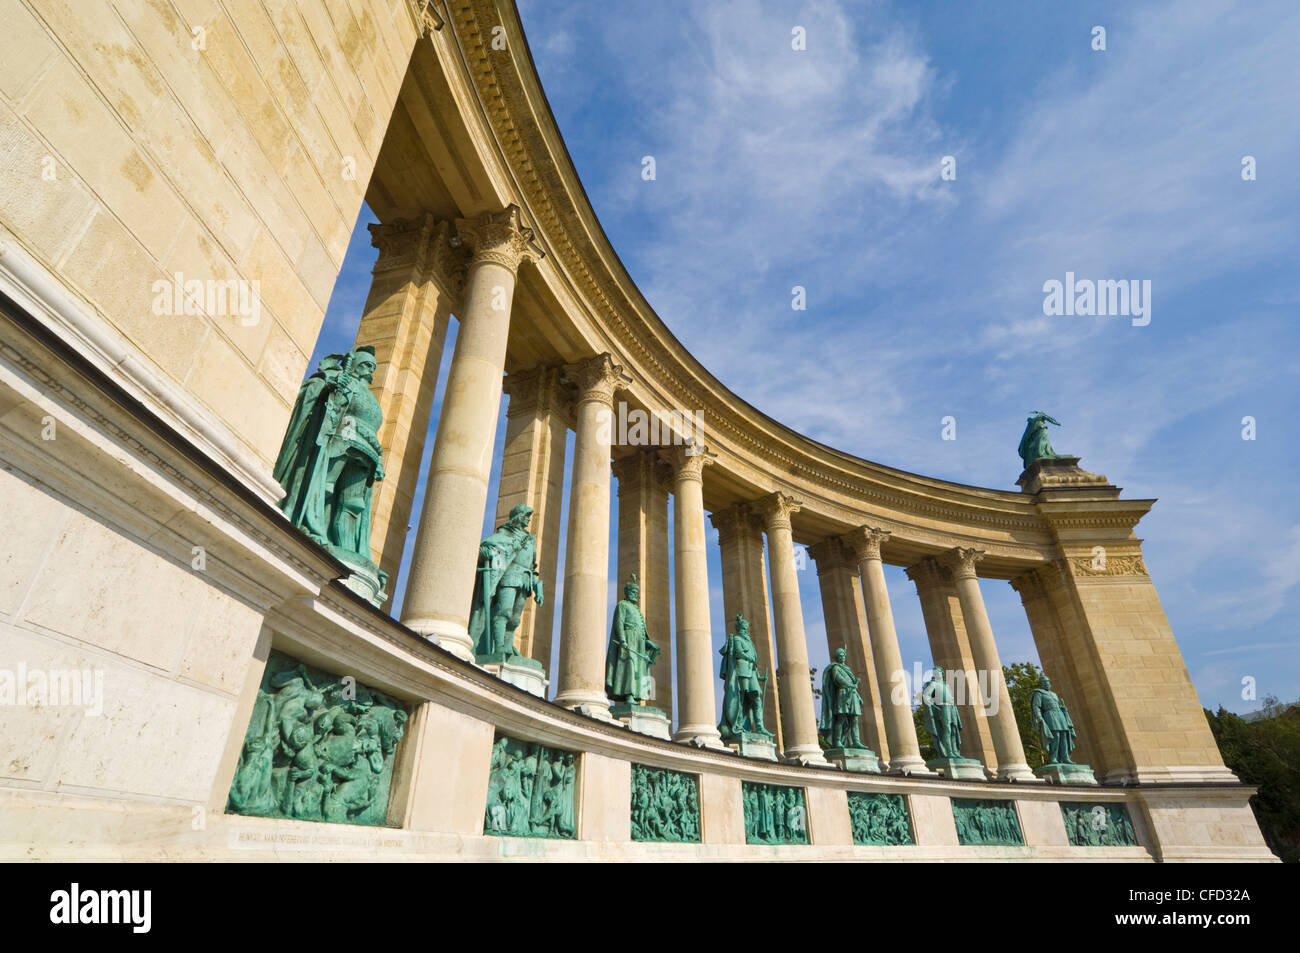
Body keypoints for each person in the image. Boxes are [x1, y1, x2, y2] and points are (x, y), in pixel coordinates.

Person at [469, 504, 543, 658]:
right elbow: (482, 548)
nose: (528, 520)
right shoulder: (505, 535)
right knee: (504, 612)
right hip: (508, 578)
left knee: (515, 619)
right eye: (526, 516)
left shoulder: (530, 543)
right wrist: (491, 553)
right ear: (518, 517)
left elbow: (533, 569)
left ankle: (508, 648)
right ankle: (499, 647)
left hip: (525, 581)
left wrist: (539, 589)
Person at [605, 575, 659, 704]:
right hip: (628, 639)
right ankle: (628, 694)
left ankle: (636, 694)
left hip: (639, 643)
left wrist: (648, 643)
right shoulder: (622, 605)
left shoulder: (637, 610)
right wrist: (623, 640)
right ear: (627, 592)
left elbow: (641, 630)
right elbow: (619, 623)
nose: (636, 595)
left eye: (637, 593)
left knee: (639, 669)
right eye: (634, 592)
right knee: (629, 665)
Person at [718, 615, 772, 740]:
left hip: (751, 672)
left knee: (756, 698)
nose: (745, 630)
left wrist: (759, 677)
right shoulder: (737, 639)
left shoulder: (750, 642)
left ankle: (760, 726)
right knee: (741, 697)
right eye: (743, 628)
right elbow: (739, 652)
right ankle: (738, 724)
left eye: (746, 628)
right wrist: (749, 658)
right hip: (741, 670)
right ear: (738, 628)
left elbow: (754, 663)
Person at [819, 648, 864, 748]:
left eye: (843, 656)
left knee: (854, 719)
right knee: (841, 718)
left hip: (852, 694)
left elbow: (852, 684)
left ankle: (856, 741)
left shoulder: (848, 669)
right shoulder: (835, 668)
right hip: (843, 694)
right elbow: (838, 679)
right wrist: (850, 684)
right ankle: (837, 741)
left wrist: (858, 696)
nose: (842, 657)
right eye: (840, 656)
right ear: (837, 657)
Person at [1031, 673, 1078, 764]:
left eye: (1048, 682)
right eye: (1045, 683)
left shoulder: (1054, 694)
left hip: (1060, 715)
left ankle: (1065, 757)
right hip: (1050, 715)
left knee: (1064, 735)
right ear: (1042, 684)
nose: (1047, 684)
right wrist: (1039, 717)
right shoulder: (1039, 693)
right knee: (1056, 736)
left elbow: (1059, 705)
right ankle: (1054, 757)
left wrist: (1064, 709)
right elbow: (1036, 706)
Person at [921, 666, 964, 759]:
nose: (936, 674)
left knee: (953, 730)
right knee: (947, 729)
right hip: (942, 707)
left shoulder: (946, 685)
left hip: (951, 707)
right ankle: (948, 752)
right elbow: (926, 696)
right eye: (934, 673)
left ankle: (954, 751)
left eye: (937, 672)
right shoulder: (933, 684)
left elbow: (951, 697)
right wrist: (931, 704)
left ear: (942, 673)